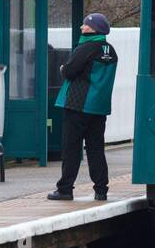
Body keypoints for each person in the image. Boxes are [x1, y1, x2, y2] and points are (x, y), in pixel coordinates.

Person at [48, 12, 118, 201]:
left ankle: (65, 189)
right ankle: (101, 190)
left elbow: (70, 71)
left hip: (78, 106)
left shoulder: (86, 47)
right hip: (98, 108)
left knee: (71, 148)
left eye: (85, 24)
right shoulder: (110, 51)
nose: (82, 27)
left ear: (94, 29)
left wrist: (63, 69)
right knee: (96, 149)